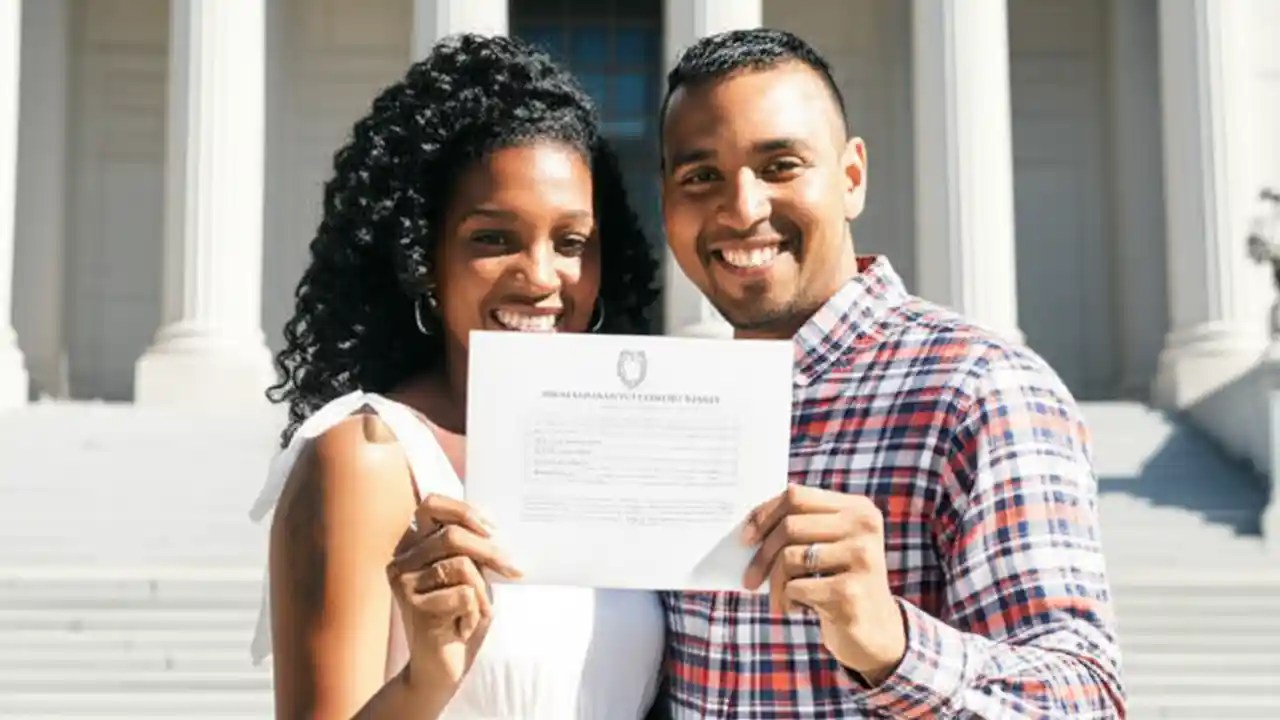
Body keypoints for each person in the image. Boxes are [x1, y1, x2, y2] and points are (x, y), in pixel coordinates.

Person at [655, 29, 1125, 717]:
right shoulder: (669, 415)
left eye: (780, 165)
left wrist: (892, 646)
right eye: (700, 176)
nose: (742, 209)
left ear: (851, 178)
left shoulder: (982, 390)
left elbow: (1085, 701)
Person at [246, 34, 666, 719]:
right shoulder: (369, 456)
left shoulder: (620, 455)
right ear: (422, 257)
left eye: (571, 243)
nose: (540, 278)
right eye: (492, 239)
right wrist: (427, 680)